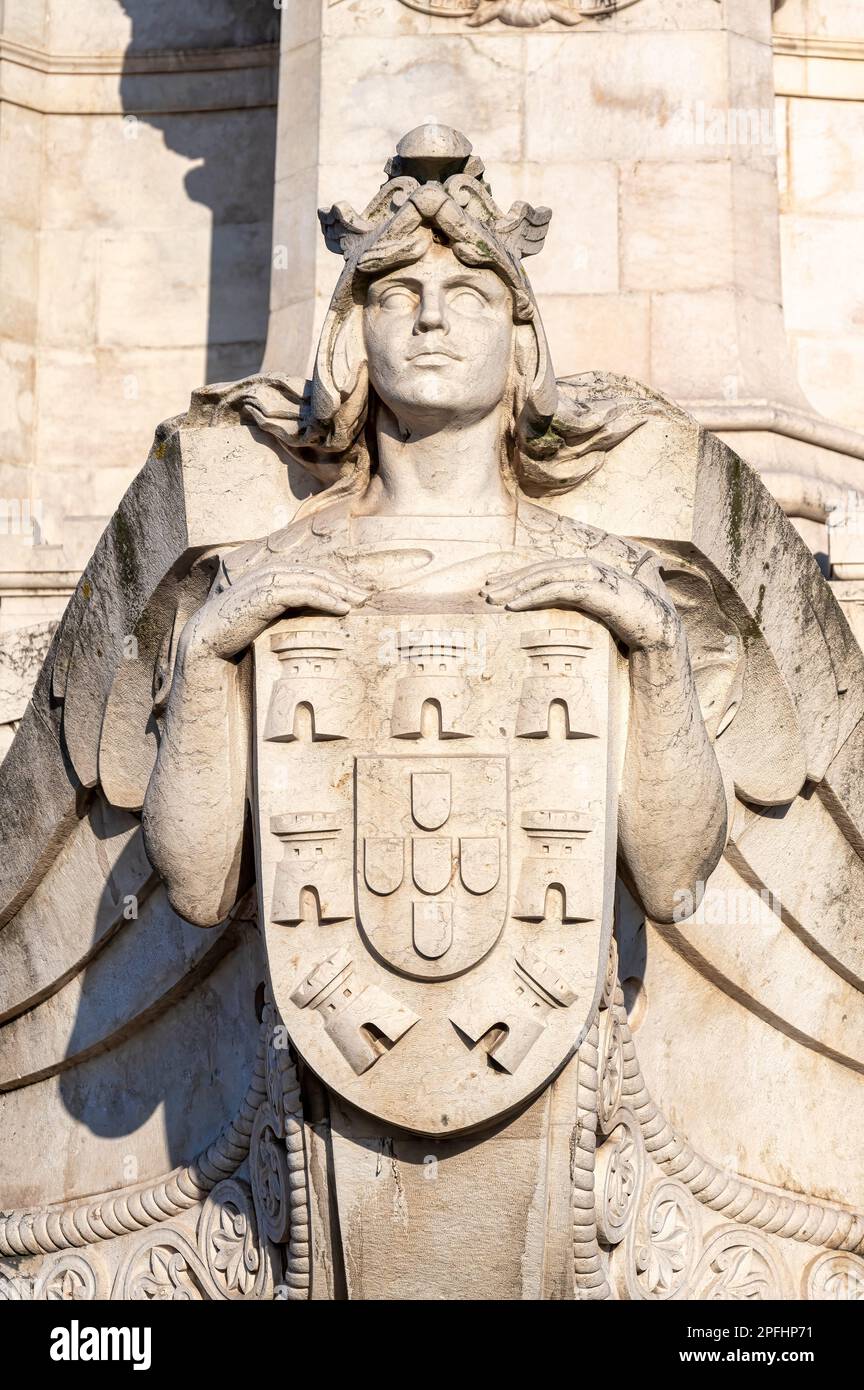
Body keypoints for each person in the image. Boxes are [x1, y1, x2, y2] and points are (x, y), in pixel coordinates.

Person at [143, 124, 727, 932]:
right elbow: (199, 889)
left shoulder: (609, 577)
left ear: (520, 346)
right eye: (396, 296)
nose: (430, 322)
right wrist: (204, 657)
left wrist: (659, 651)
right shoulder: (260, 576)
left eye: (470, 297)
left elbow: (672, 884)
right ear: (354, 340)